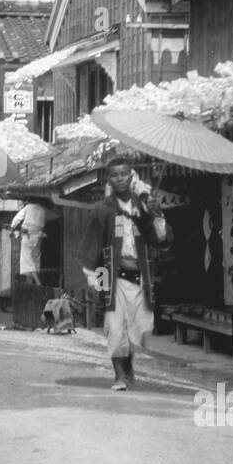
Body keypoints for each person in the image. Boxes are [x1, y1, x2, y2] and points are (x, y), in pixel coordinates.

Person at [78, 156, 169, 391]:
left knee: (139, 328)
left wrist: (157, 215)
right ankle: (119, 376)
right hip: (114, 276)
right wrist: (96, 281)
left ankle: (127, 365)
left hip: (140, 277)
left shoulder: (142, 207)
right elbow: (93, 249)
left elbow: (159, 240)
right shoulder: (102, 210)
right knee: (116, 328)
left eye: (124, 174)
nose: (119, 178)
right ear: (109, 178)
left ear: (132, 176)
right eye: (114, 175)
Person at [10, 200, 48, 285]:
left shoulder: (28, 207)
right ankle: (30, 284)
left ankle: (38, 283)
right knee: (35, 260)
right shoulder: (43, 210)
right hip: (38, 236)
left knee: (27, 261)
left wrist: (12, 228)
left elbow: (17, 218)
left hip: (29, 235)